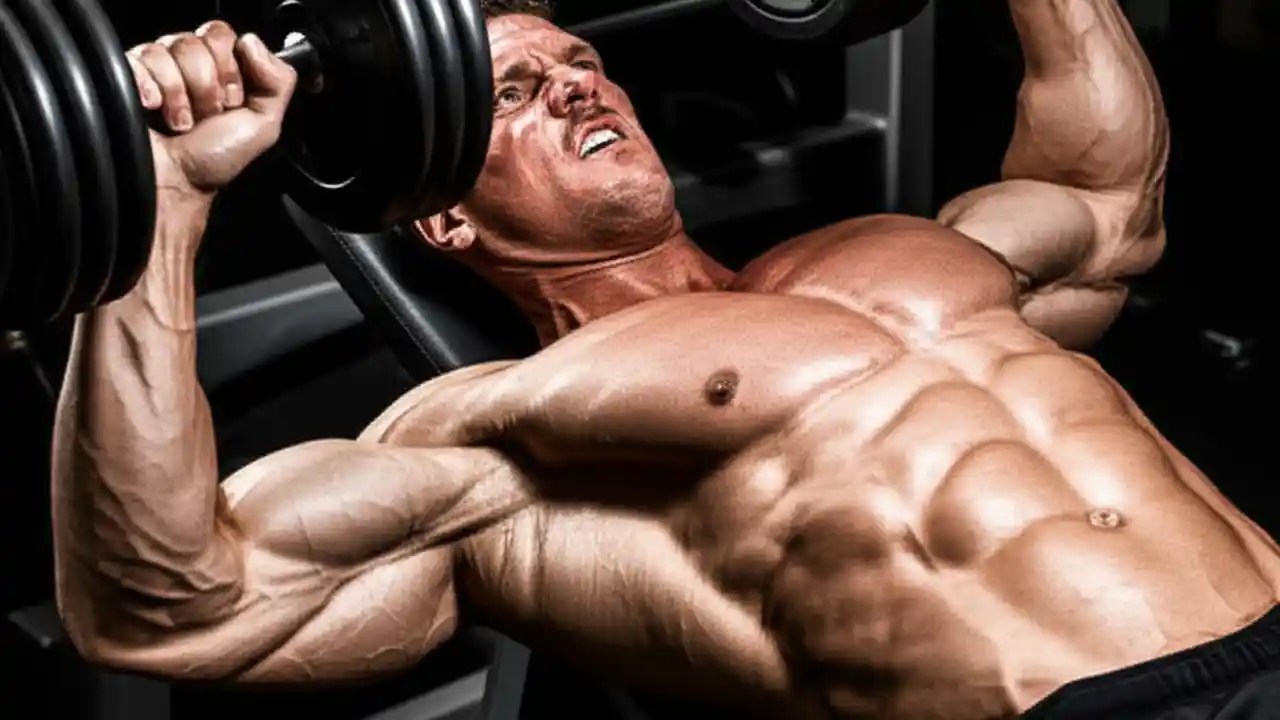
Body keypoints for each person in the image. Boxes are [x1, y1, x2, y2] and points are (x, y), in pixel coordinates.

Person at [52, 0, 1280, 718]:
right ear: (444, 216)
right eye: (519, 93)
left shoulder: (904, 252)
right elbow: (174, 606)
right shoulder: (501, 433)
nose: (580, 89)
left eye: (581, 62)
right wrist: (154, 212)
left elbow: (1103, 198)